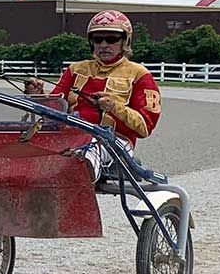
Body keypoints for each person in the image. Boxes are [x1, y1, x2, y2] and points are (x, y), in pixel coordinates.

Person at [27, 10, 161, 181]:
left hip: (114, 141)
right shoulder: (76, 69)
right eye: (98, 39)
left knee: (85, 151)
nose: (104, 44)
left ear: (125, 41)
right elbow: (53, 112)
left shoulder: (139, 74)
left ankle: (78, 179)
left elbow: (144, 128)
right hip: (71, 137)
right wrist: (38, 95)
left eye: (111, 39)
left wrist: (114, 107)